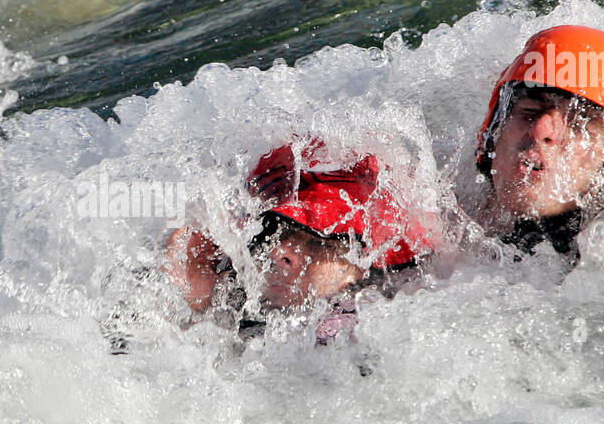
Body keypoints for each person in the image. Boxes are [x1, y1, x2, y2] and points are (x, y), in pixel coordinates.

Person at [161, 138, 433, 342]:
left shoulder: (375, 317)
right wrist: (189, 272)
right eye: (270, 230)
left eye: (318, 243)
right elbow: (196, 236)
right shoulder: (233, 280)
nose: (278, 251)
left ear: (360, 267)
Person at [468, 25, 604, 257]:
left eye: (579, 121)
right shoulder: (439, 208)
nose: (540, 130)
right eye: (530, 109)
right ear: (493, 129)